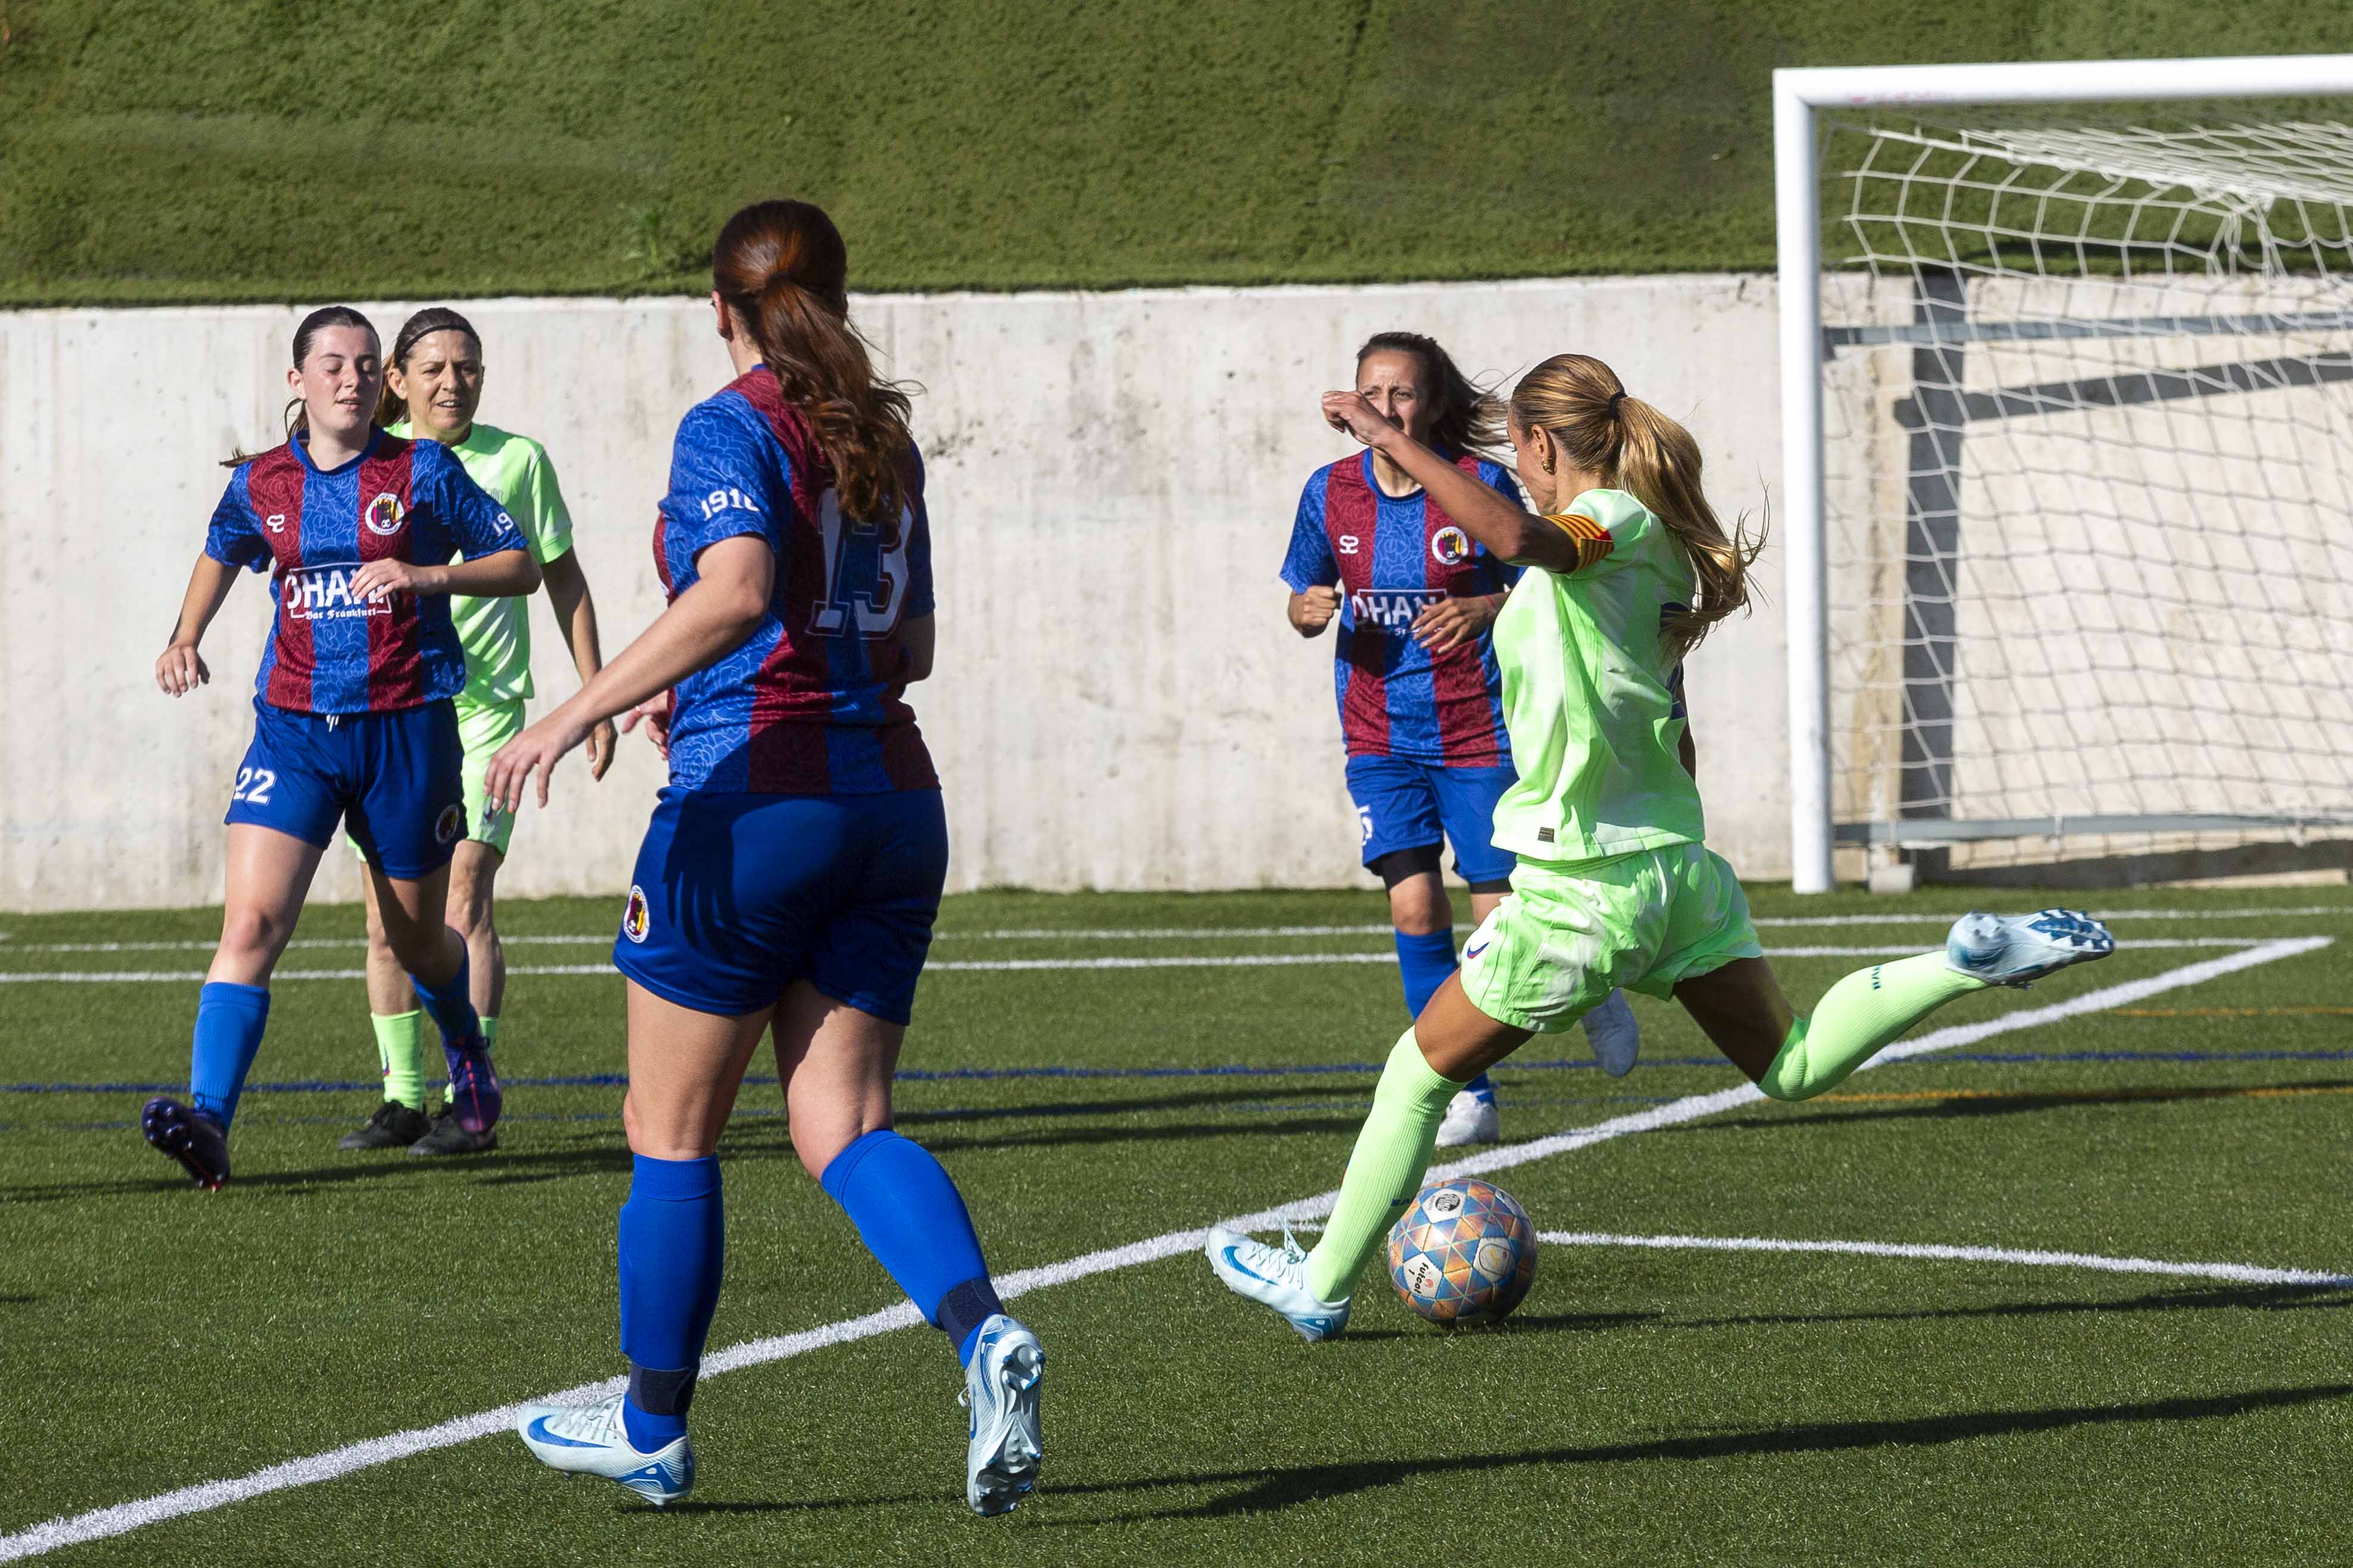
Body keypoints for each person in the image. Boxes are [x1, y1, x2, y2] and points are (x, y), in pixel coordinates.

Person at [1210, 352, 2116, 1338]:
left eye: (1518, 448)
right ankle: (1961, 962)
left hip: (1583, 883)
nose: (1514, 468)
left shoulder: (1612, 524)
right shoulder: (1641, 557)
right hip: (1674, 873)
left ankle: (1321, 1287)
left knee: (1417, 1073)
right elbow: (1669, 723)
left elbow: (1515, 532)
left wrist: (1392, 439)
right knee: (1793, 1064)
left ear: (1545, 445)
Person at [486, 199, 1042, 1514]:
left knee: (669, 1131)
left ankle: (654, 1426)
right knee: (840, 1120)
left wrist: (580, 707)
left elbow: (735, 591)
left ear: (720, 311)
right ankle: (980, 1332)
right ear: (843, 295)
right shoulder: (884, 439)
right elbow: (907, 650)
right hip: (895, 803)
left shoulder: (730, 422)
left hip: (759, 808)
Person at [146, 306, 540, 1190]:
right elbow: (222, 547)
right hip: (292, 730)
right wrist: (185, 635)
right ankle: (208, 1121)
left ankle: (467, 1056)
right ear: (298, 380)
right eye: (333, 364)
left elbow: (521, 563)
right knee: (250, 924)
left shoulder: (423, 469)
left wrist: (428, 574)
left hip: (407, 730)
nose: (352, 378)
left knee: (418, 942)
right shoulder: (262, 482)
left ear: (384, 381)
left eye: (367, 364)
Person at [1281, 332, 1642, 1148]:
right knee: (1413, 905)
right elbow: (1304, 592)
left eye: (1401, 393)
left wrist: (1482, 609)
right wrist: (1306, 611)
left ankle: (1590, 988)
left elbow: (1549, 585)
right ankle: (1466, 1091)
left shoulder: (1480, 485)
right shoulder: (1329, 491)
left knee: (1501, 925)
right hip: (1377, 733)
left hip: (1476, 729)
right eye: (1369, 391)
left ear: (1433, 403)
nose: (1382, 407)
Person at [335, 307, 618, 1158]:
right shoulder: (359, 467)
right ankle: (402, 1099)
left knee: (462, 902)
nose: (453, 382)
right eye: (434, 369)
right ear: (398, 380)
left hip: (487, 717)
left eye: (468, 367)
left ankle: (474, 1096)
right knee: (389, 917)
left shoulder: (517, 461)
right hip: (388, 716)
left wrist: (595, 696)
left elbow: (562, 578)